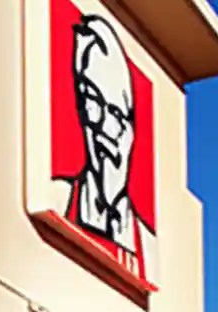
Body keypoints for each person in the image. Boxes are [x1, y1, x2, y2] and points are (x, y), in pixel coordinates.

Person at [51, 14, 157, 283]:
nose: (104, 130)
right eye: (92, 102)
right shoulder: (56, 198)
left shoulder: (147, 244)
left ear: (133, 130)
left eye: (117, 113)